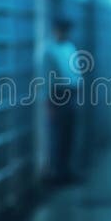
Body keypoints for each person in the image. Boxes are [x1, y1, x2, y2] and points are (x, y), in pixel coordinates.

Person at [43, 17, 82, 184]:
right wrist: (49, 102)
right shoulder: (49, 51)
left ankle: (66, 170)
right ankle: (57, 173)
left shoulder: (69, 47)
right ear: (55, 30)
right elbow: (46, 78)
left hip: (71, 94)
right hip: (57, 95)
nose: (65, 33)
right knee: (58, 135)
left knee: (69, 135)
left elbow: (75, 72)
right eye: (62, 30)